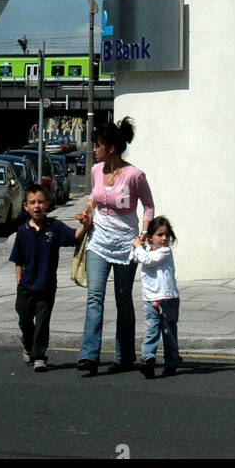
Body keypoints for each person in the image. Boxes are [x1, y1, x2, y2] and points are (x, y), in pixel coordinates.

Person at [75, 117, 154, 376]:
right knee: (94, 297)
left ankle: (125, 356)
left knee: (123, 301)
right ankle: (88, 356)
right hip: (98, 242)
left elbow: (149, 206)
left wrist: (143, 235)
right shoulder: (96, 170)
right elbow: (93, 198)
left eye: (97, 145)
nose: (93, 150)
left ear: (110, 148)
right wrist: (87, 212)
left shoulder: (134, 175)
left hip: (125, 246)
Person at [9, 184, 91, 371]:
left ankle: (39, 356)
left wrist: (86, 224)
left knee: (43, 322)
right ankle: (28, 344)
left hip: (46, 286)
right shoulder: (22, 232)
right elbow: (18, 261)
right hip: (26, 286)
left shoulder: (54, 227)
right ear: (26, 207)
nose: (37, 206)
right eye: (32, 202)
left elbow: (74, 237)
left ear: (47, 204)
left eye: (40, 202)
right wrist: (19, 282)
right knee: (25, 319)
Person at [132, 216, 181, 379]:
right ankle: (148, 360)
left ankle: (172, 362)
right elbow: (136, 257)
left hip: (168, 299)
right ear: (151, 236)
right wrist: (140, 245)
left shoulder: (165, 251)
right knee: (151, 332)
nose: (164, 238)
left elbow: (148, 260)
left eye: (166, 235)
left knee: (168, 333)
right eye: (160, 235)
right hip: (150, 300)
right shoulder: (146, 251)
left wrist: (138, 246)